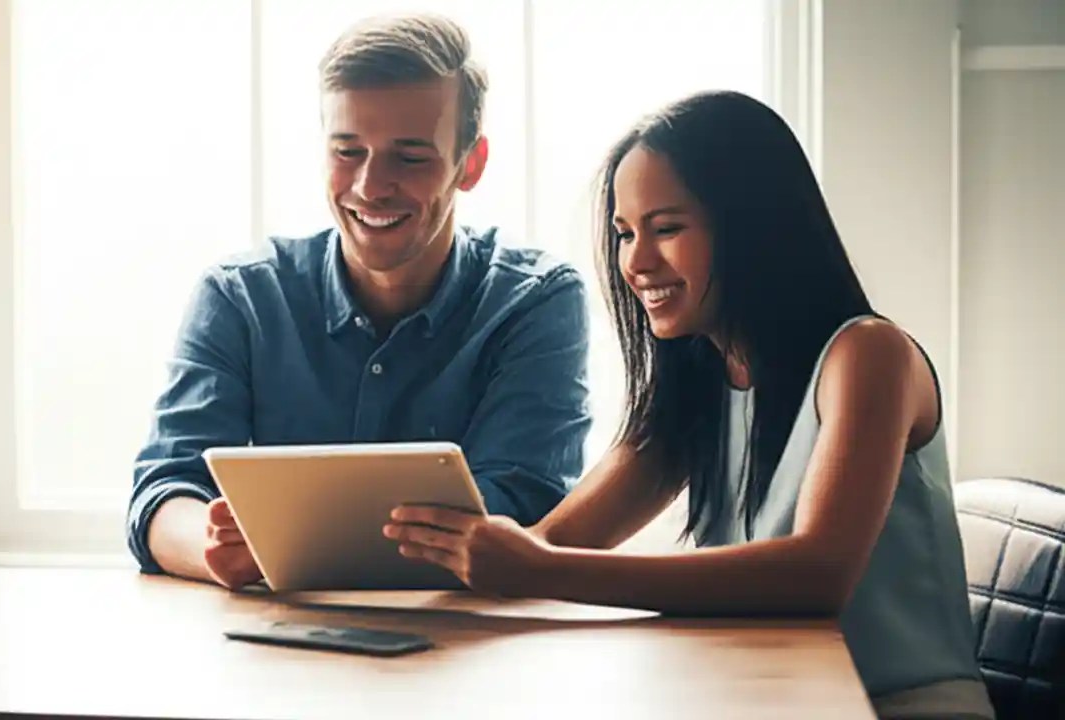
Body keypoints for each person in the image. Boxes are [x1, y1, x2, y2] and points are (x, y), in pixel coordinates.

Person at [385, 90, 994, 719]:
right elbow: (556, 540)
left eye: (666, 229)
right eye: (624, 234)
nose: (636, 262)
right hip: (773, 698)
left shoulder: (867, 356)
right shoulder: (698, 380)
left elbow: (817, 574)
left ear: (751, 225)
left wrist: (541, 569)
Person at [128, 13, 591, 591]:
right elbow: (164, 490)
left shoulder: (535, 301)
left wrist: (289, 546)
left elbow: (521, 506)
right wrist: (216, 548)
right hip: (271, 649)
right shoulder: (238, 296)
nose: (371, 186)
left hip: (464, 649)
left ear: (470, 164)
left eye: (410, 157)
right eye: (348, 151)